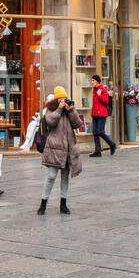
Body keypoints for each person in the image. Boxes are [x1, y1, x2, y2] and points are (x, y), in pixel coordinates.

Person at [37, 86, 84, 216]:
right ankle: (43, 203)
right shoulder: (51, 109)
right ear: (57, 99)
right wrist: (59, 109)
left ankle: (63, 204)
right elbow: (50, 121)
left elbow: (78, 124)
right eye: (61, 98)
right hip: (54, 148)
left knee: (64, 177)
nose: (64, 100)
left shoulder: (68, 110)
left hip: (67, 149)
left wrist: (71, 111)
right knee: (51, 176)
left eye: (65, 97)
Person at [89, 73, 116, 158]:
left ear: (97, 81)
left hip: (101, 114)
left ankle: (112, 144)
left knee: (100, 131)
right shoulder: (94, 89)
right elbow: (94, 103)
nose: (92, 82)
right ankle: (97, 152)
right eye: (91, 80)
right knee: (95, 133)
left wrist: (100, 95)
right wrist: (92, 112)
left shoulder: (102, 89)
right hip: (95, 114)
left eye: (93, 80)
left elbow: (106, 101)